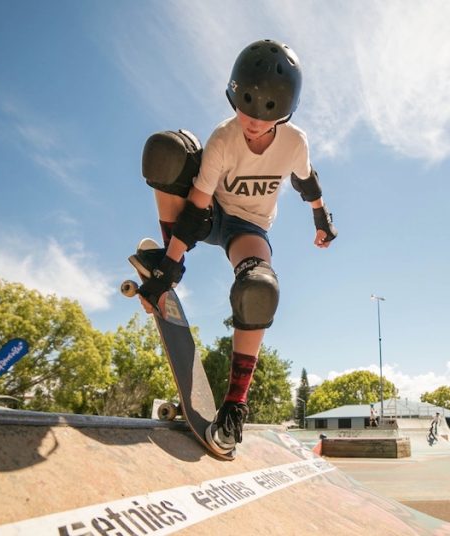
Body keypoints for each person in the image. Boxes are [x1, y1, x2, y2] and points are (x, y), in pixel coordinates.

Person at [134, 39, 337, 452]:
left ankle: (234, 405)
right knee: (167, 150)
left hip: (249, 228)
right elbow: (197, 205)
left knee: (259, 288)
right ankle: (168, 259)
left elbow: (306, 180)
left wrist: (321, 218)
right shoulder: (224, 138)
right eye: (243, 109)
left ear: (282, 113)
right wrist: (170, 267)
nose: (250, 123)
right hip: (208, 215)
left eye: (262, 118)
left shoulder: (294, 143)